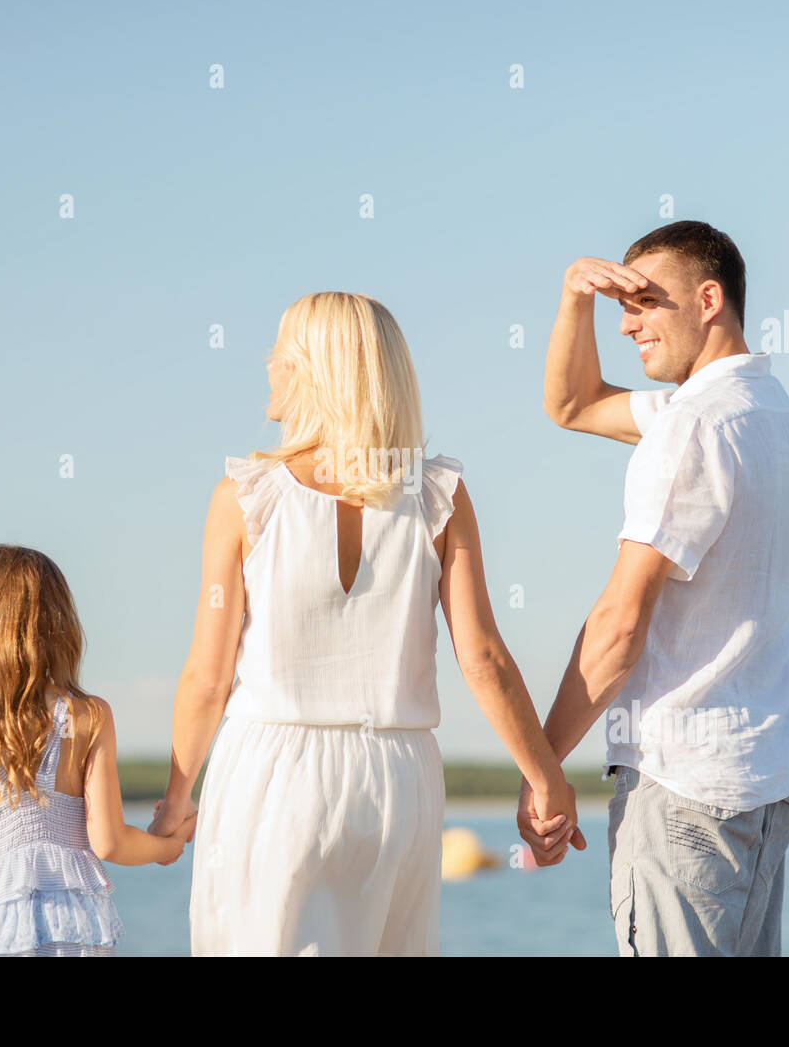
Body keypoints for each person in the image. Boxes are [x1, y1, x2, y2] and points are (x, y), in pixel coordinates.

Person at [149, 291, 581, 956]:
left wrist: (177, 798)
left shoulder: (244, 498)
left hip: (272, 774)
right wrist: (545, 776)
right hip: (399, 778)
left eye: (282, 353)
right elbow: (483, 657)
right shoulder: (439, 493)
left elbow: (206, 677)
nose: (269, 364)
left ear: (317, 369)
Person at [527, 220, 789, 957]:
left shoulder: (693, 425)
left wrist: (542, 762)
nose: (627, 325)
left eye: (645, 302)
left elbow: (620, 624)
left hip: (685, 789)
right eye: (622, 306)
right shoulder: (770, 412)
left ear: (708, 299)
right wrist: (573, 298)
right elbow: (574, 405)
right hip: (760, 778)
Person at [0, 544, 194, 956]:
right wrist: (166, 847)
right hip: (72, 934)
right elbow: (110, 842)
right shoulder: (88, 716)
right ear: (59, 625)